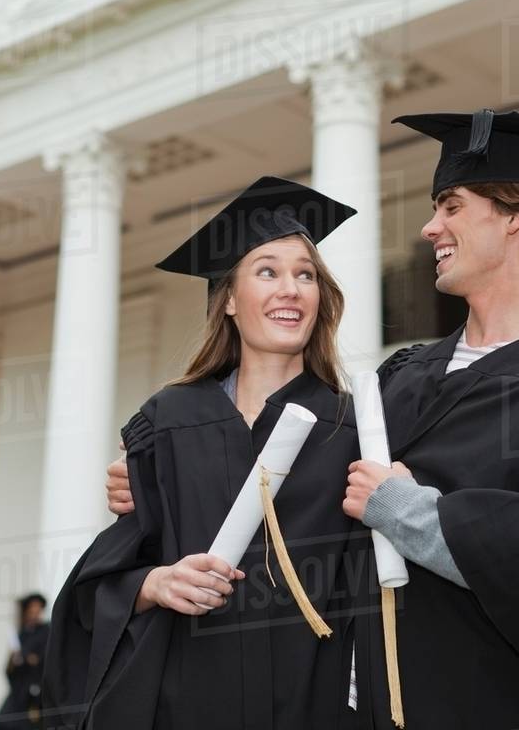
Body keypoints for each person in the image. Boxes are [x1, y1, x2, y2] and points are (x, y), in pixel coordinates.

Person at [108, 111, 519, 730]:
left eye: (452, 205)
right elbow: (302, 490)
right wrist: (167, 467)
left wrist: (412, 512)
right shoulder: (399, 379)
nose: (429, 226)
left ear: (518, 215)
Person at [43, 177, 378, 730]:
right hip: (186, 701)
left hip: (314, 704)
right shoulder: (169, 422)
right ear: (227, 299)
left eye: (306, 274)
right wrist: (155, 584)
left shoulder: (352, 428)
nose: (291, 288)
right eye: (267, 271)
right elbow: (99, 586)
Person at [0, 593, 50, 730]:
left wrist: (30, 659)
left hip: (35, 694)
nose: (34, 613)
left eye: (38, 609)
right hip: (19, 692)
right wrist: (15, 659)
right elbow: (10, 669)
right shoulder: (21, 634)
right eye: (31, 609)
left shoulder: (46, 631)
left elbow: (42, 662)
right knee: (1, 724)